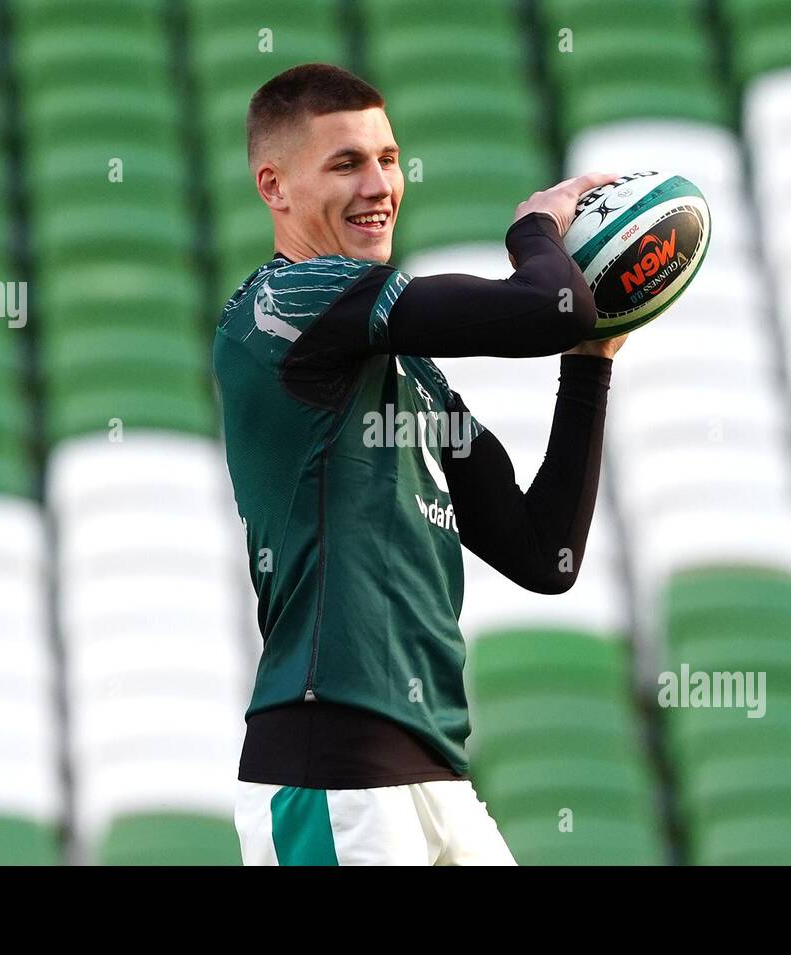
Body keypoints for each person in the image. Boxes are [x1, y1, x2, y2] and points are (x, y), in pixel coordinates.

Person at [215, 62, 628, 865]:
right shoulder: (287, 306)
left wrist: (590, 362)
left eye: (389, 158)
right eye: (346, 163)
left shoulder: (413, 368)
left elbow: (545, 553)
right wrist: (535, 229)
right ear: (274, 186)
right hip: (333, 771)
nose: (379, 185)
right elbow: (548, 303)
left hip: (434, 772)